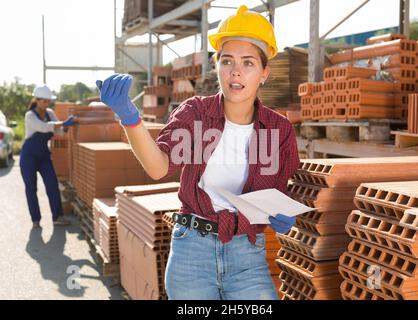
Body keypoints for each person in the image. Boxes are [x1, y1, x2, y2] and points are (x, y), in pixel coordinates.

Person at [97, 5, 300, 300]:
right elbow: (158, 167)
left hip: (247, 254)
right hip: (193, 250)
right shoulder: (196, 113)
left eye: (248, 63)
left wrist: (283, 213)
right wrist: (130, 117)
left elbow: (283, 191)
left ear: (264, 73)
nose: (236, 71)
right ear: (216, 65)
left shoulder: (279, 130)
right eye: (227, 60)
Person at [20, 85, 77, 229]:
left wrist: (66, 127)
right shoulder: (30, 115)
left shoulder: (50, 113)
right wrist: (62, 123)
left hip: (44, 155)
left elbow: (60, 132)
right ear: (37, 100)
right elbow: (44, 127)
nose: (46, 104)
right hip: (29, 156)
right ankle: (35, 220)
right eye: (44, 101)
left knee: (52, 185)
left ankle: (58, 216)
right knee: (31, 188)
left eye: (48, 101)